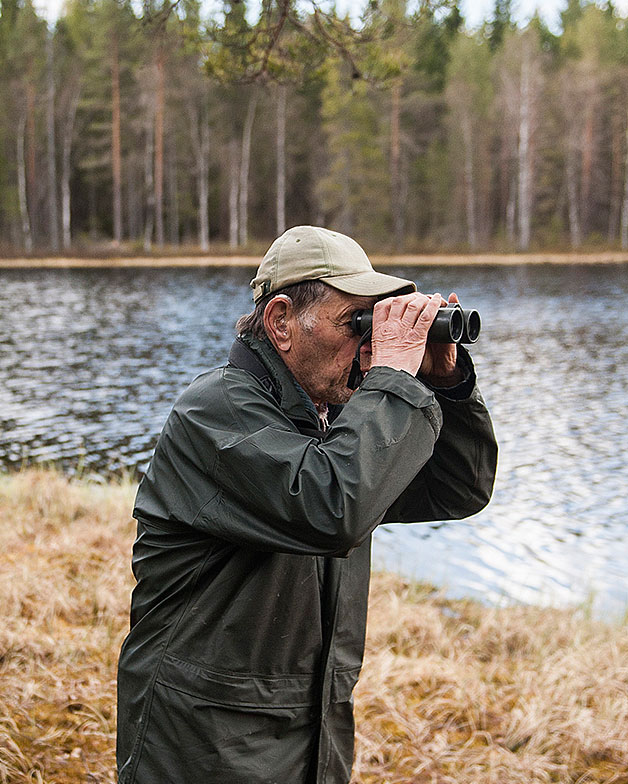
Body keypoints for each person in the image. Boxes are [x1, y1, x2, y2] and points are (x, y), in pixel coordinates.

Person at [115, 225, 498, 784]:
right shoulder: (216, 414)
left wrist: (446, 383)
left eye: (373, 324)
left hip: (311, 731)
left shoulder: (334, 416)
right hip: (205, 743)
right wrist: (392, 378)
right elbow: (331, 508)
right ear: (281, 322)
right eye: (354, 324)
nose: (367, 346)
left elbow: (458, 487)